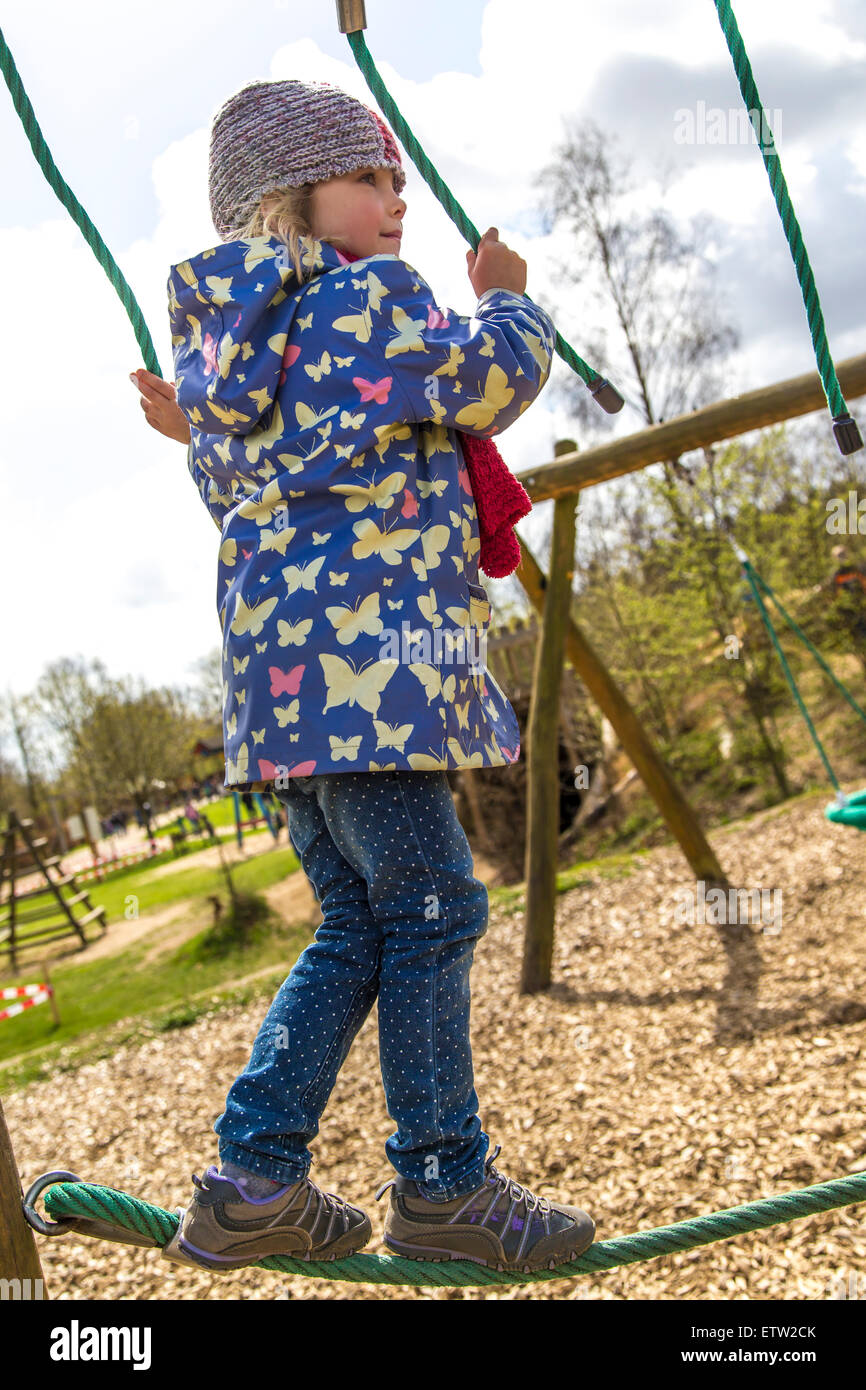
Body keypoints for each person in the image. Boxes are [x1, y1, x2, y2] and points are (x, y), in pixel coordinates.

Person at [131, 78, 595, 1275]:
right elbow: (485, 383)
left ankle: (253, 1179)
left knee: (359, 919)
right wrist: (507, 305)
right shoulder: (373, 301)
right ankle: (441, 1182)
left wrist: (195, 428)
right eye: (367, 177)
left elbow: (263, 480)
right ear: (290, 202)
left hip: (281, 705)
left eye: (394, 176)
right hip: (376, 687)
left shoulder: (215, 377)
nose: (394, 201)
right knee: (435, 905)